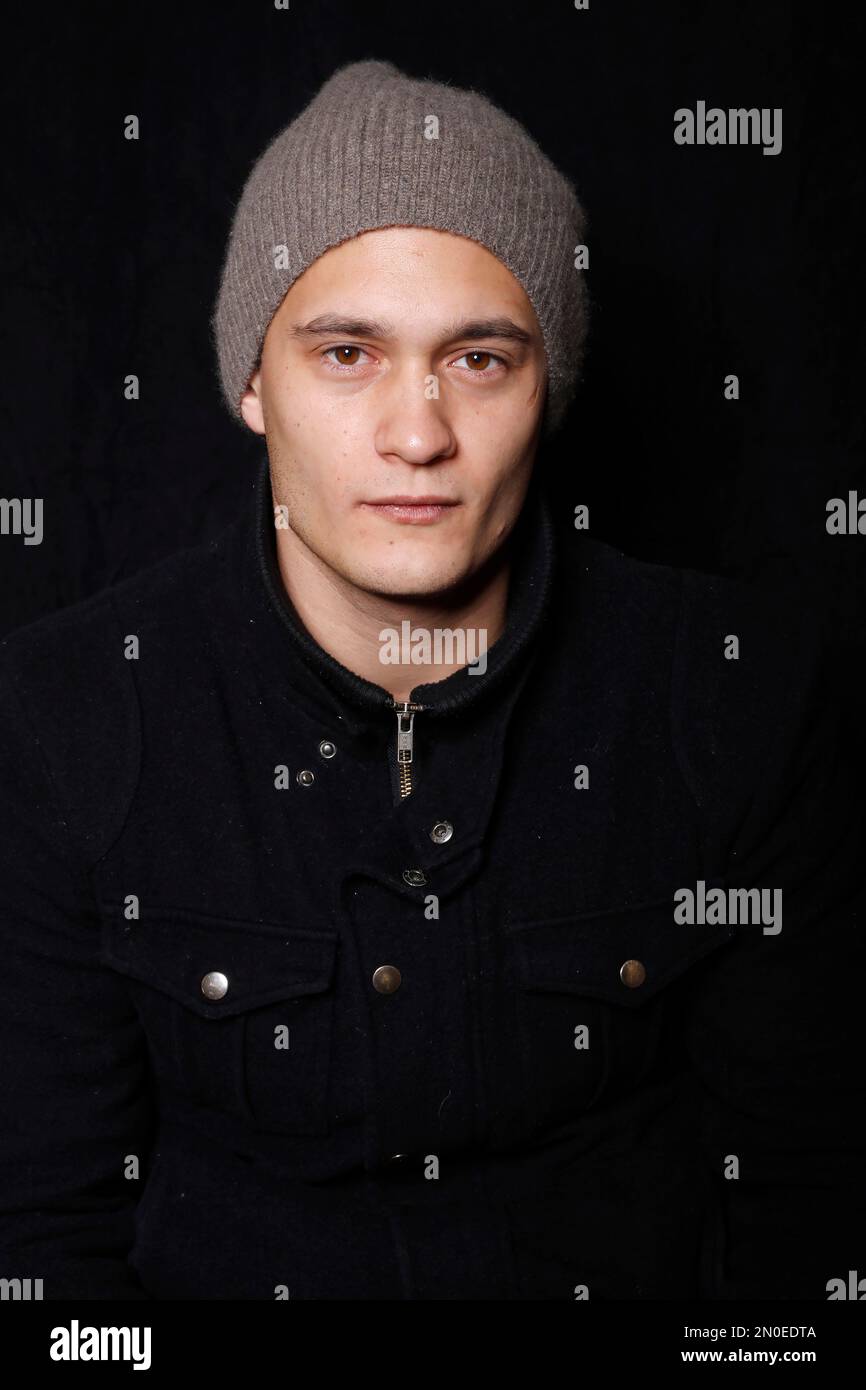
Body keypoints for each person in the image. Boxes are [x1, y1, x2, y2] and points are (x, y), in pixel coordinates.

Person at [0, 58, 862, 1301]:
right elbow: (41, 1235)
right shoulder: (65, 713)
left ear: (546, 387)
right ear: (252, 383)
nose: (417, 434)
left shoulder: (733, 696)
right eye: (347, 354)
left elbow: (811, 1195)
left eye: (478, 360)